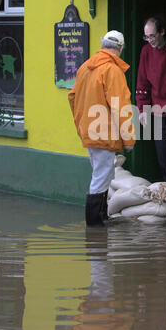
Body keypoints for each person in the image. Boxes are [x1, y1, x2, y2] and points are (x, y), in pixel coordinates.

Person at [68, 30, 135, 226]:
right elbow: (120, 107)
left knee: (103, 175)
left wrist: (82, 125)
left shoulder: (84, 68)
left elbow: (72, 98)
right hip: (104, 134)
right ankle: (95, 226)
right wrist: (128, 139)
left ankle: (102, 219)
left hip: (90, 132)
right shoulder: (112, 71)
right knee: (101, 177)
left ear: (102, 44)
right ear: (121, 48)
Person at [135, 17, 166, 182]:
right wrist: (142, 110)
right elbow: (142, 82)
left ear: (162, 32)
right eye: (146, 37)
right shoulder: (146, 52)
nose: (150, 40)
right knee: (163, 160)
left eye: (152, 36)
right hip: (158, 113)